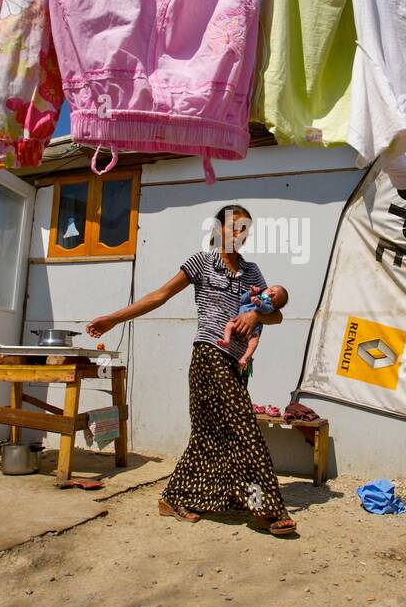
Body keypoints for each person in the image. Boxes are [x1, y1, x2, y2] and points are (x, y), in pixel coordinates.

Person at [86, 204, 297, 537]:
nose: (239, 236)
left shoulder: (253, 273)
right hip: (209, 357)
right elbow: (160, 295)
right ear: (218, 230)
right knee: (245, 430)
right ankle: (267, 509)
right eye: (233, 228)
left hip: (236, 365)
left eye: (245, 230)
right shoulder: (201, 263)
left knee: (208, 436)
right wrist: (115, 318)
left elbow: (276, 315)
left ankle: (172, 498)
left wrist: (256, 316)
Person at [217, 284, 289, 371]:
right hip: (237, 322)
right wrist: (250, 293)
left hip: (254, 328)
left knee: (254, 342)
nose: (270, 293)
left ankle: (245, 358)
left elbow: (270, 312)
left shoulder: (269, 306)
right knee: (229, 325)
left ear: (276, 306)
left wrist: (259, 304)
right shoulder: (257, 295)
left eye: (274, 296)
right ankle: (226, 340)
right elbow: (242, 300)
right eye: (270, 290)